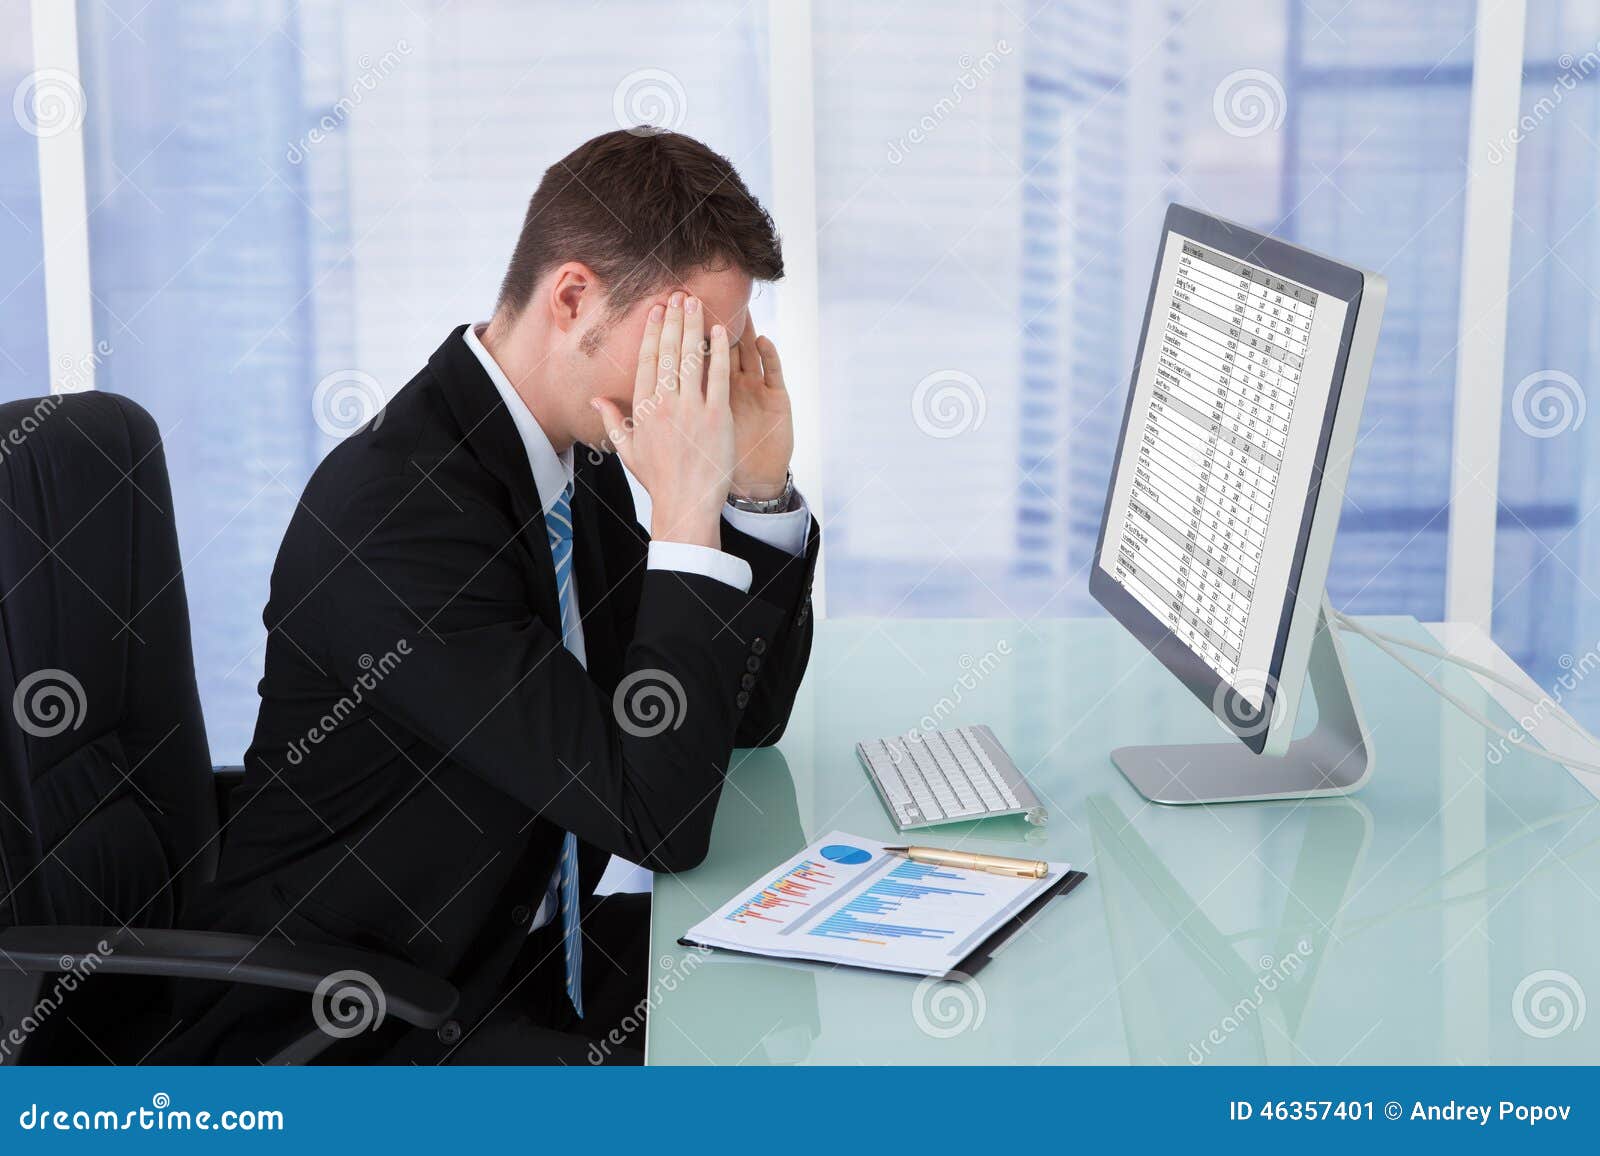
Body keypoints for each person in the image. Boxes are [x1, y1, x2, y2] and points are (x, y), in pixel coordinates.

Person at [166, 129, 819, 1064]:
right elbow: (657, 820)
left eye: (718, 351)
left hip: (520, 956)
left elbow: (737, 716)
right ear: (573, 299)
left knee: (809, 1023)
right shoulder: (398, 515)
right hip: (363, 1023)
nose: (704, 389)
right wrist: (683, 514)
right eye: (685, 346)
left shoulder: (572, 456)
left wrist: (752, 492)